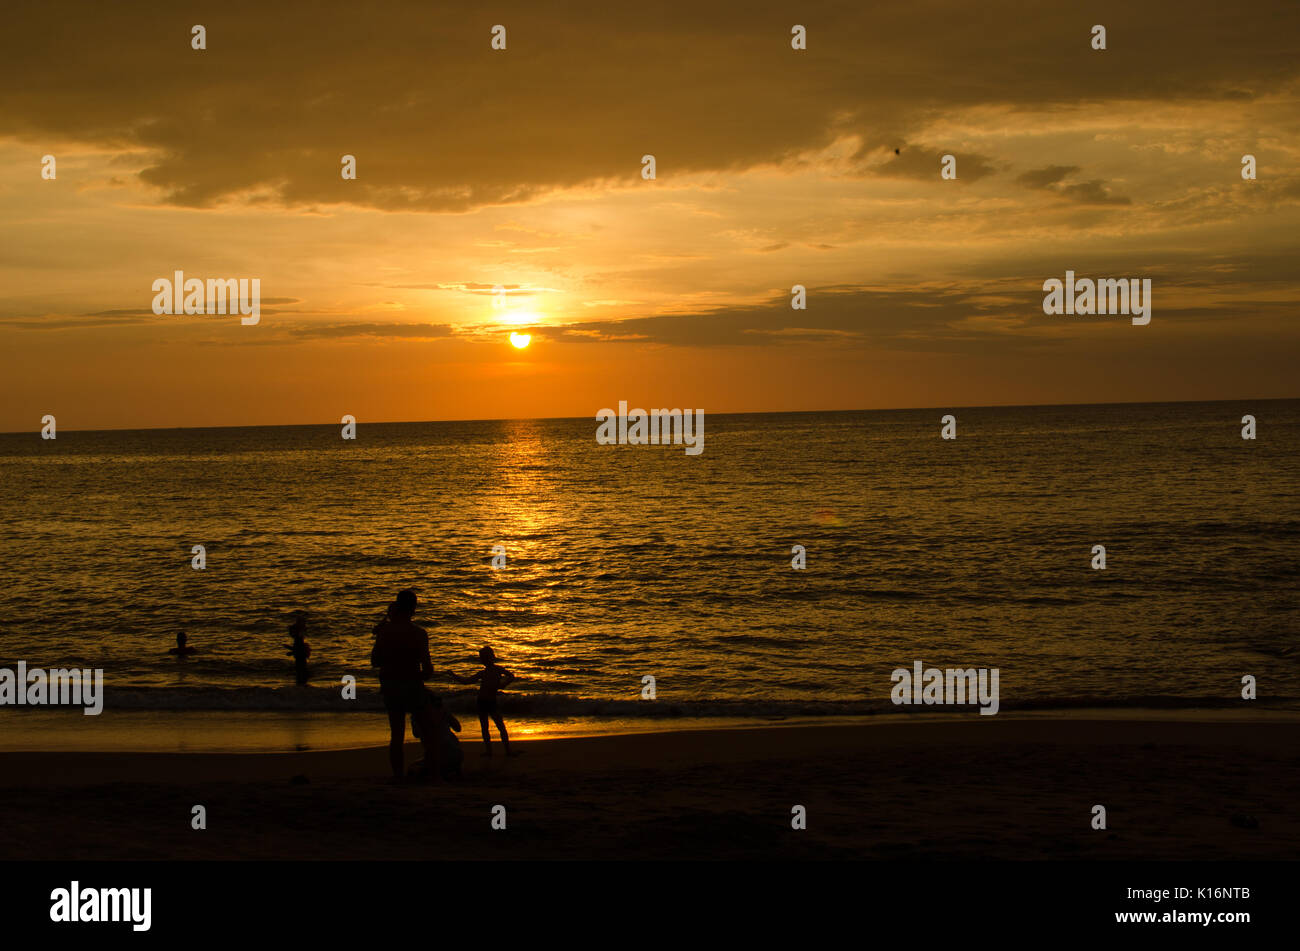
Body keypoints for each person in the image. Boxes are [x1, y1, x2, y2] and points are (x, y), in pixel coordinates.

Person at [370, 590, 441, 780]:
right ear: (414, 608)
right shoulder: (418, 633)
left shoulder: (385, 632)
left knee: (397, 734)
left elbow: (375, 661)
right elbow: (427, 668)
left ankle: (398, 776)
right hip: (412, 685)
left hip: (391, 685)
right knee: (429, 731)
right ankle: (433, 773)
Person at [451, 646, 515, 756]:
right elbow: (466, 681)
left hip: (490, 701)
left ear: (490, 658)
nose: (483, 660)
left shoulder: (497, 670)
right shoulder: (485, 672)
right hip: (482, 701)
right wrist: (454, 676)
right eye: (482, 658)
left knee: (498, 726)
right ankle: (493, 751)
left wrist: (503, 684)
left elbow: (511, 676)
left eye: (484, 658)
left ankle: (506, 750)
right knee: (487, 727)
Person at [286, 616, 311, 684]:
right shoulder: (299, 639)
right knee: (302, 672)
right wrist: (291, 650)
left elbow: (299, 649)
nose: (290, 634)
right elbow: (299, 649)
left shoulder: (298, 639)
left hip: (300, 658)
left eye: (291, 632)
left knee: (300, 672)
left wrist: (291, 652)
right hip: (301, 657)